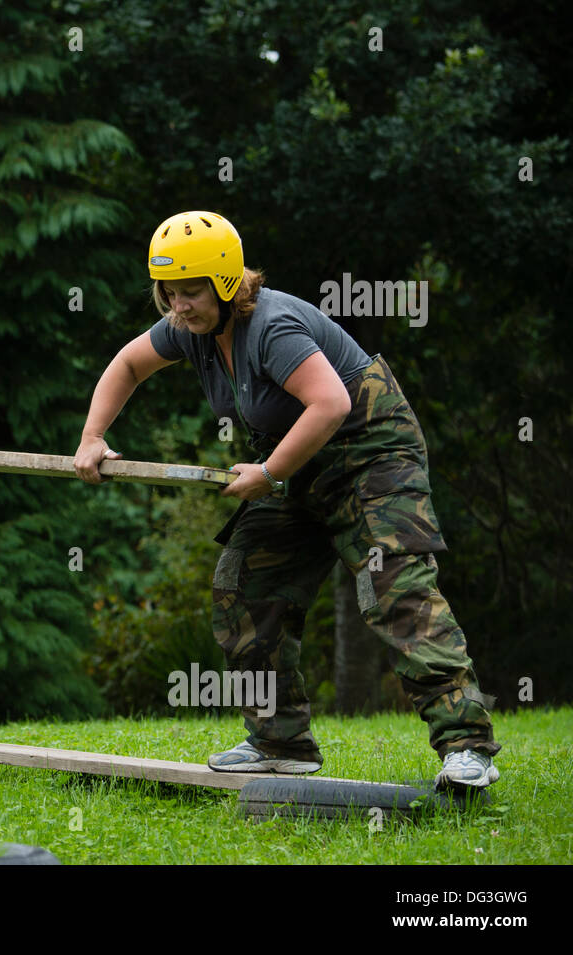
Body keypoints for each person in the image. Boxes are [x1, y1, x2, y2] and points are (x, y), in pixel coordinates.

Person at [73, 210, 500, 789]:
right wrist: (93, 436)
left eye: (191, 292)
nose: (178, 306)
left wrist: (269, 470)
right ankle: (280, 743)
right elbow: (127, 364)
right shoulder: (189, 329)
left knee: (394, 588)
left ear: (226, 283)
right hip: (293, 464)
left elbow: (331, 404)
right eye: (168, 293)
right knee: (246, 586)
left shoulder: (272, 326)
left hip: (370, 457)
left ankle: (466, 747)